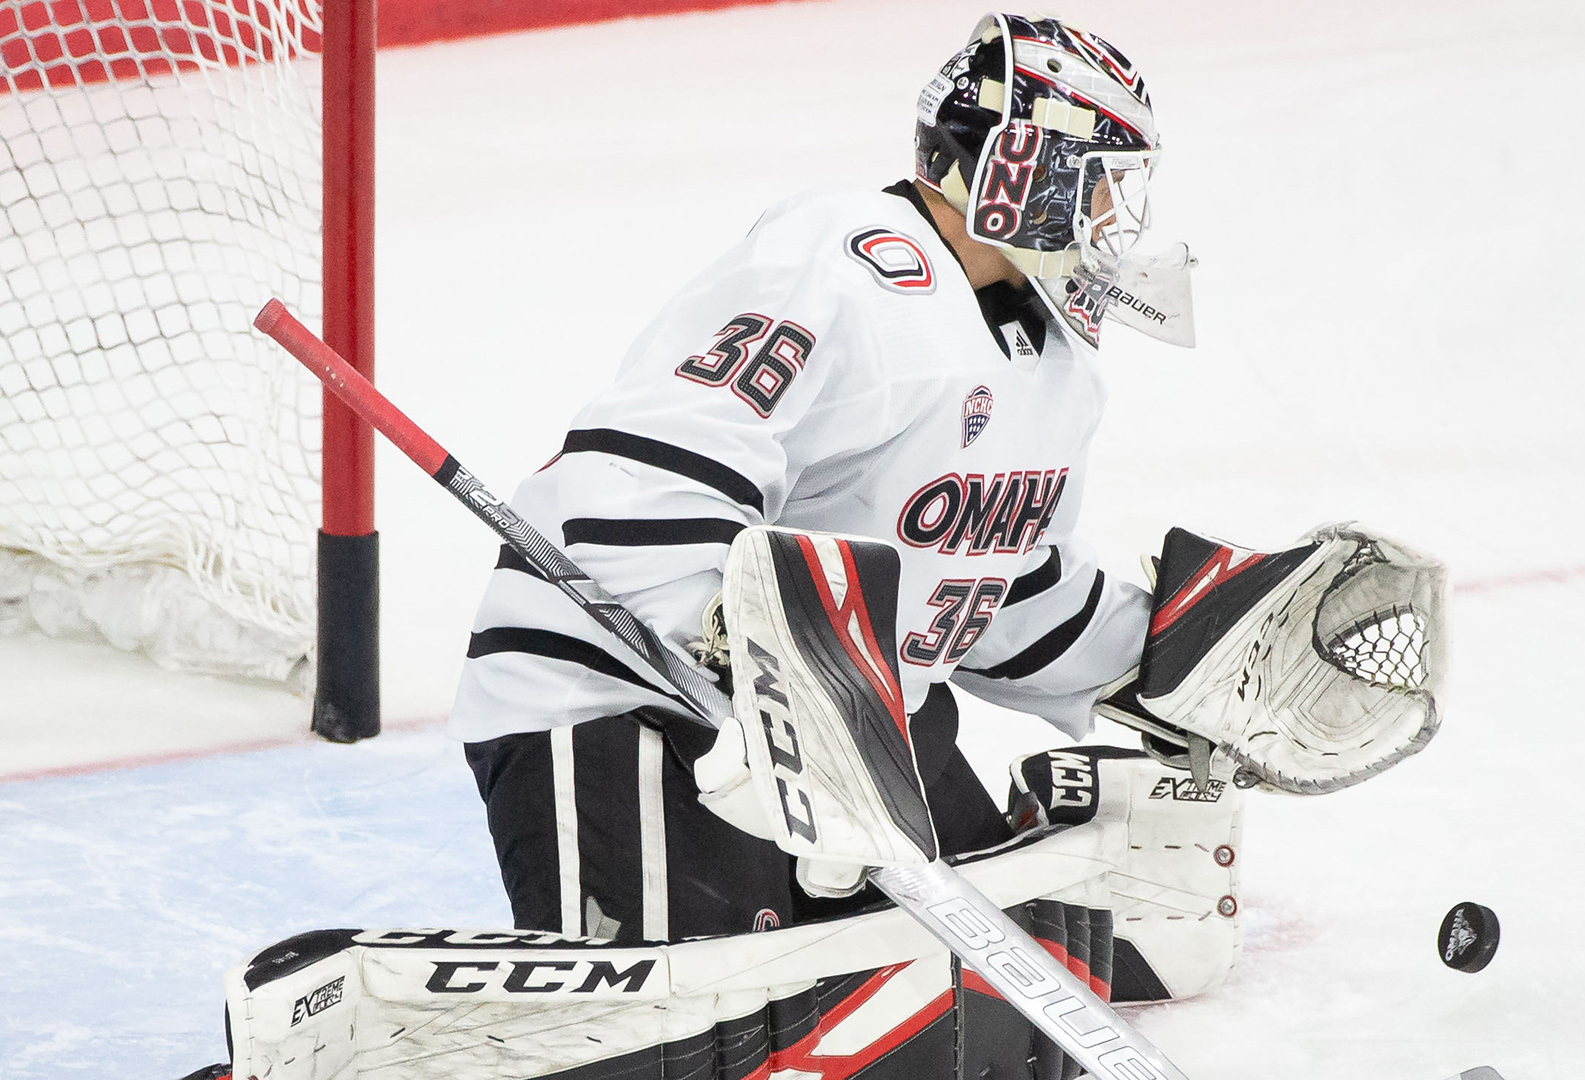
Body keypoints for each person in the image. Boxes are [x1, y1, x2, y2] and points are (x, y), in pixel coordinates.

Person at [450, 11, 1197, 945]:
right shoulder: (849, 262)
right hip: (626, 698)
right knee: (725, 1026)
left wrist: (1171, 664)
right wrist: (761, 675)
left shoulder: (1054, 364)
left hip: (849, 731)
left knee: (1003, 969)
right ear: (1017, 172)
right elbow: (636, 485)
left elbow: (989, 594)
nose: (1104, 220)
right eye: (1093, 185)